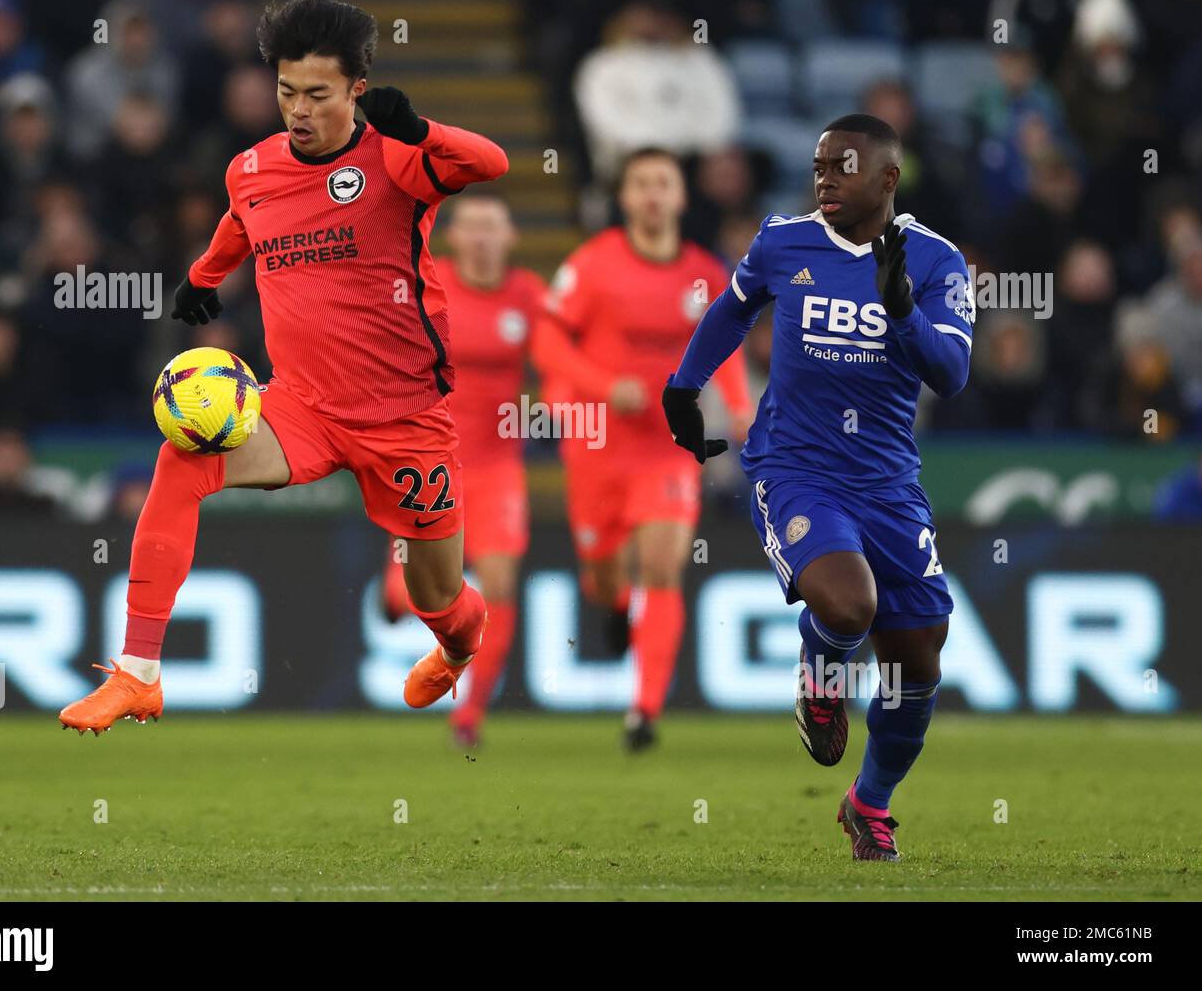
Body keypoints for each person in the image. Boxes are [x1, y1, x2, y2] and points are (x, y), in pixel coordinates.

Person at [59, 0, 508, 735]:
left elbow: (491, 161)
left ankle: (460, 646)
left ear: (356, 90)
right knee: (183, 461)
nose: (297, 109)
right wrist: (202, 280)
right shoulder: (253, 168)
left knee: (439, 600)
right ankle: (139, 672)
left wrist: (421, 128)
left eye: (317, 94)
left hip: (405, 421)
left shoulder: (399, 160)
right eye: (286, 91)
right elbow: (242, 227)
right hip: (302, 406)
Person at [664, 115, 973, 860]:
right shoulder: (783, 240)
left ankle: (869, 803)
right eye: (818, 165)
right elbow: (733, 308)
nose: (825, 178)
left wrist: (902, 313)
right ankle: (818, 670)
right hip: (796, 466)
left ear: (888, 179)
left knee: (917, 661)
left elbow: (951, 374)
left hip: (888, 481)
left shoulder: (935, 261)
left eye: (844, 165)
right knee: (848, 602)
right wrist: (683, 385)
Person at [532, 147, 752, 751]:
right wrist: (606, 388)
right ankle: (612, 601)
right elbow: (547, 341)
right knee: (604, 572)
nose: (653, 195)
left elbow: (726, 348)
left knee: (661, 564)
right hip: (597, 445)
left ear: (681, 197)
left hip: (666, 446)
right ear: (625, 199)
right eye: (641, 184)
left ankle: (644, 710)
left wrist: (738, 408)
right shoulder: (592, 266)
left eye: (663, 183)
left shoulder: (706, 276)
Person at [382, 194, 543, 747]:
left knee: (499, 584)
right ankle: (394, 587)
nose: (480, 237)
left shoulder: (528, 296)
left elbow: (559, 360)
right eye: (471, 226)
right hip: (428, 455)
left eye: (491, 226)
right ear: (452, 238)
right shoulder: (428, 282)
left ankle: (468, 714)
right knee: (413, 593)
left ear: (510, 238)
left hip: (497, 465)